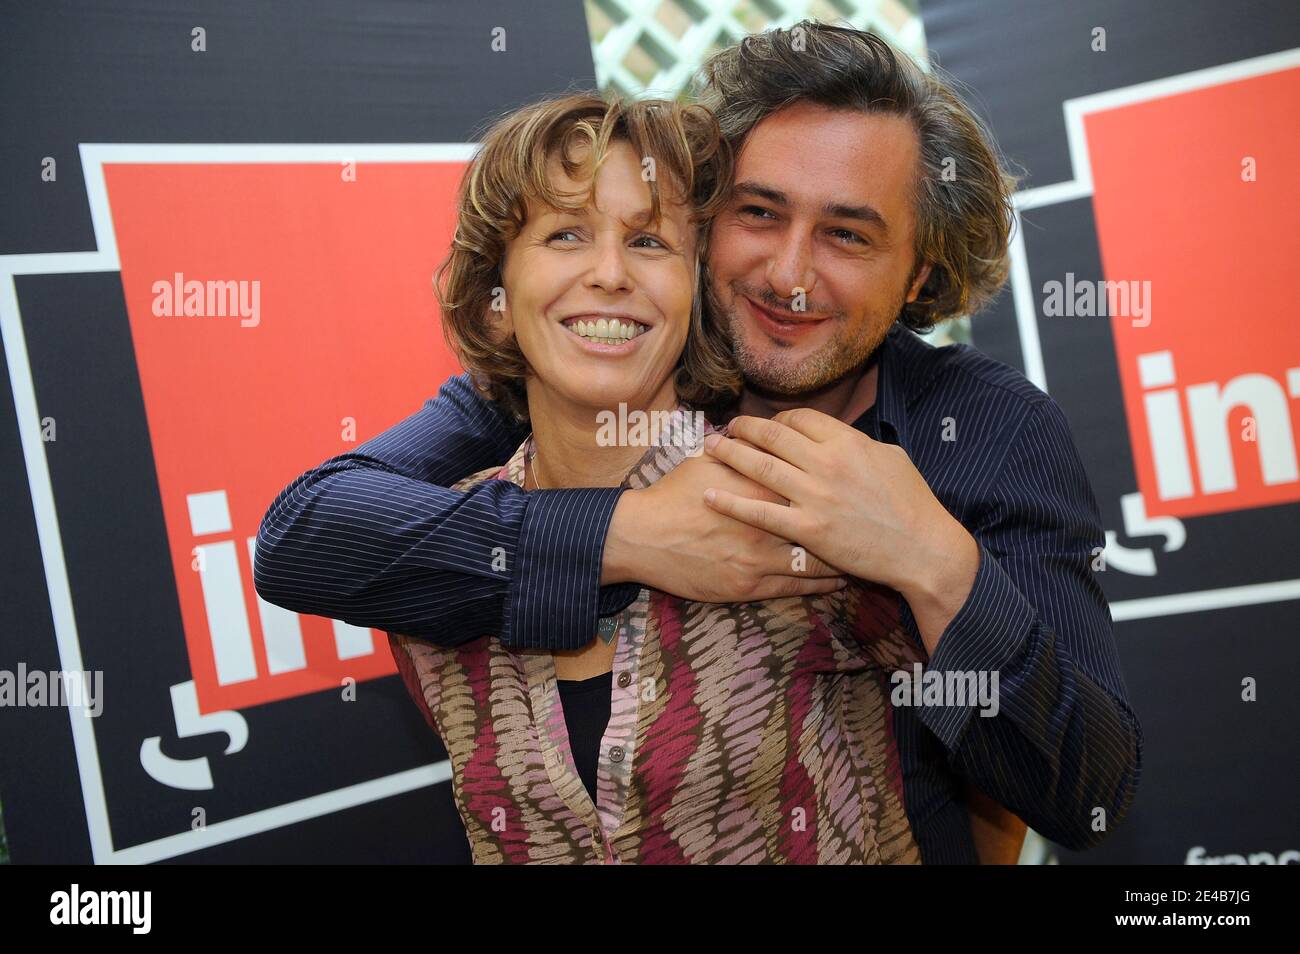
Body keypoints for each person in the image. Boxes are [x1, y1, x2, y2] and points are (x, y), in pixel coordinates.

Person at [255, 23, 1142, 864]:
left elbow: (1085, 792)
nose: (789, 275)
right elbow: (307, 535)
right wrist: (629, 532)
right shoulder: (588, 372)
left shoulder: (989, 428)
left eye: (846, 234)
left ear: (918, 270)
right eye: (759, 214)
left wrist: (932, 561)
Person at [379, 89, 930, 863]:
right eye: (565, 234)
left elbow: (983, 750)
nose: (609, 274)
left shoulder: (797, 500)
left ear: (693, 289)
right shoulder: (439, 558)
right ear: (496, 301)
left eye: (648, 243)